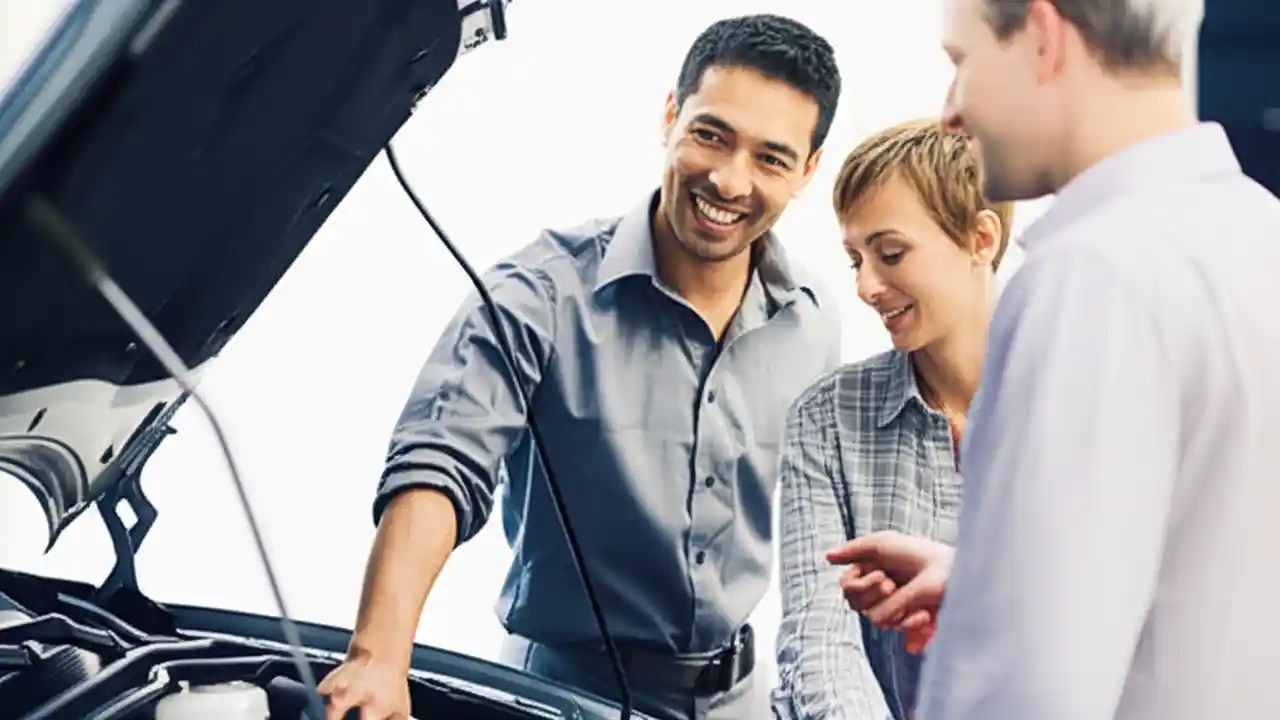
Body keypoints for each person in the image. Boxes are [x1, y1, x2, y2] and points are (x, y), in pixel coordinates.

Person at [317, 14, 845, 720]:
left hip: (742, 701)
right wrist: (380, 657)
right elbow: (440, 462)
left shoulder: (811, 323)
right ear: (670, 114)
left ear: (806, 171)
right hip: (561, 697)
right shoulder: (538, 293)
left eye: (771, 158)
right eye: (711, 134)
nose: (728, 178)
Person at [828, 0, 1280, 718]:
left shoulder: (1088, 277)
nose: (950, 110)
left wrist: (1004, 620)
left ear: (1042, 35)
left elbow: (1025, 697)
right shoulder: (1261, 232)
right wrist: (993, 580)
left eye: (961, 63)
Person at [771, 119, 1012, 720]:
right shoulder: (827, 419)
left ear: (981, 239)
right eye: (855, 259)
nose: (865, 286)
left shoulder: (1081, 399)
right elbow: (820, 636)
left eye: (891, 253)